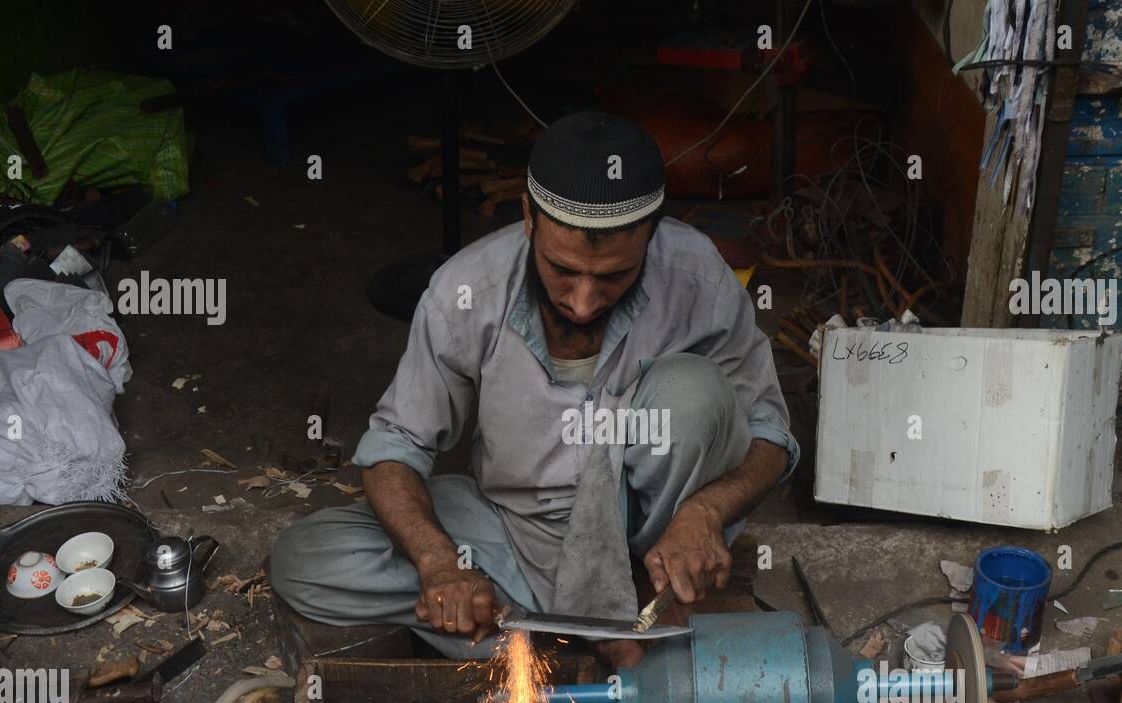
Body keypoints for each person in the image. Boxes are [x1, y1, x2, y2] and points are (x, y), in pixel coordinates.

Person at [270, 111, 797, 666]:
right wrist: (440, 563)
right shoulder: (466, 291)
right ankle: (572, 619)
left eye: (615, 276)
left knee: (693, 393)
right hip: (514, 529)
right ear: (528, 216)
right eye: (563, 270)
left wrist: (707, 513)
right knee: (305, 556)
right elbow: (393, 449)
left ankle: (601, 611)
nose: (583, 301)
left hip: (647, 535)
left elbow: (771, 436)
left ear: (652, 234)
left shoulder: (697, 277)